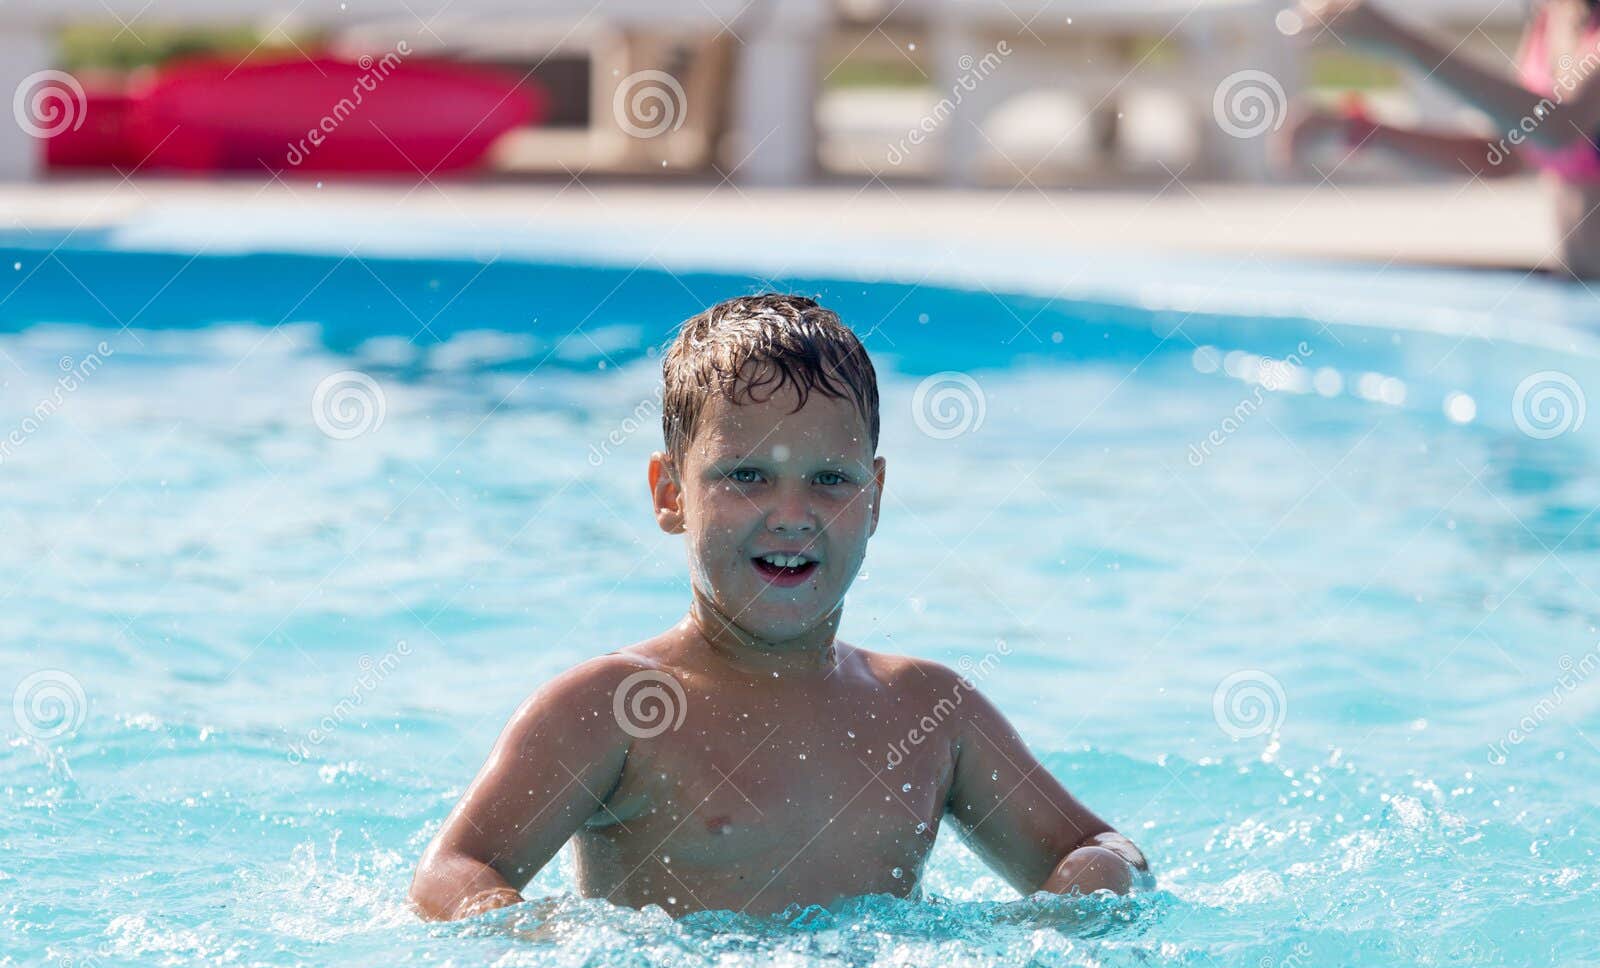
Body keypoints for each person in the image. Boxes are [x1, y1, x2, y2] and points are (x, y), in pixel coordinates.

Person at [409, 293, 1150, 920]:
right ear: (671, 495)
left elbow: (1101, 847)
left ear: (877, 497)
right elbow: (453, 870)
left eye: (830, 478)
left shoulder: (933, 714)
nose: (793, 513)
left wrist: (1091, 886)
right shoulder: (613, 707)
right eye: (748, 475)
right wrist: (533, 937)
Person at [1286, 0, 1600, 277]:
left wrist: (1398, 40)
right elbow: (1502, 153)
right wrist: (1366, 132)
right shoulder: (1552, 15)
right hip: (1577, 288)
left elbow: (1560, 127)